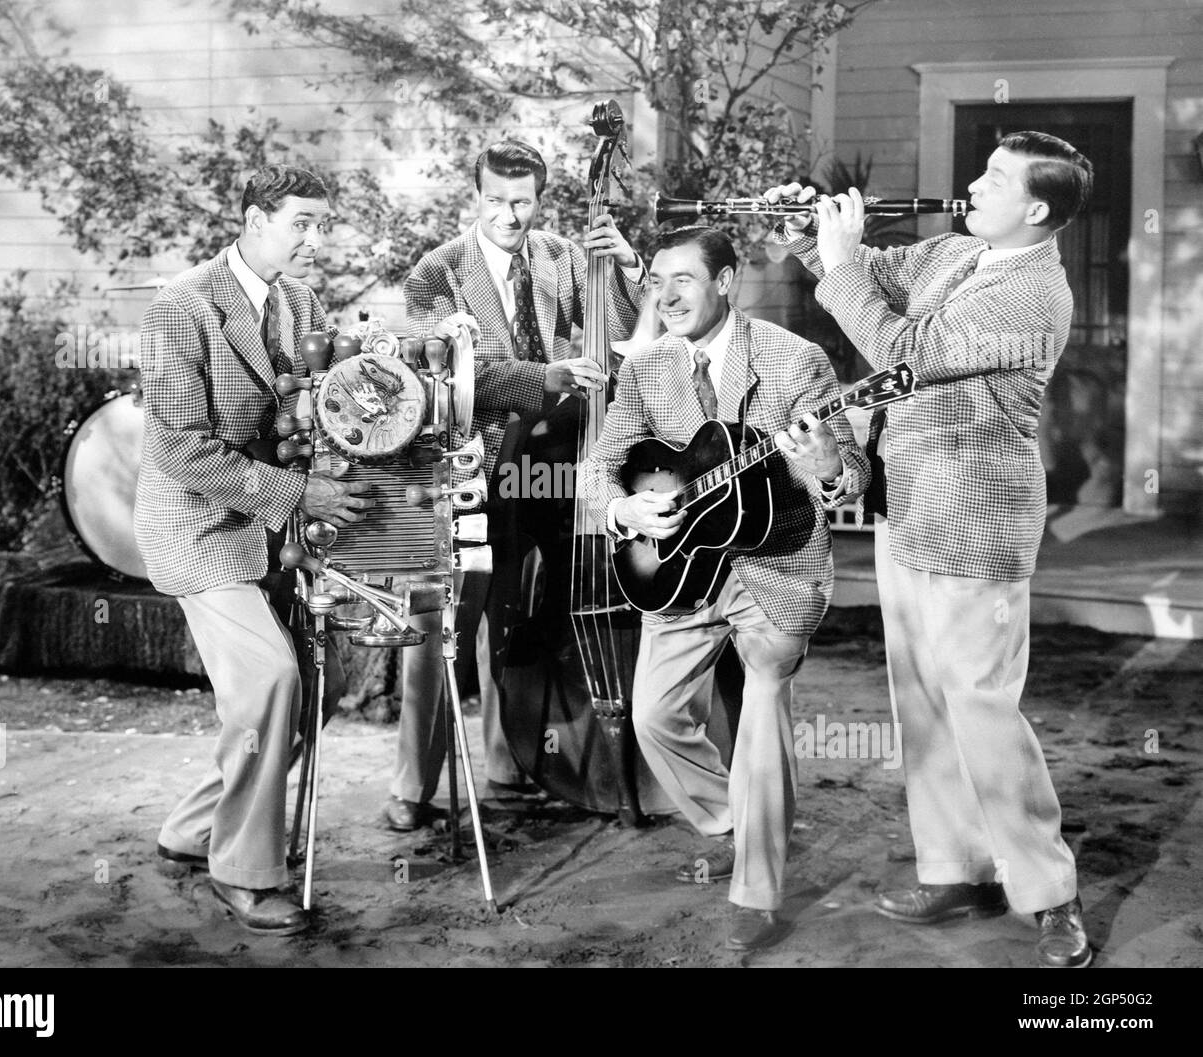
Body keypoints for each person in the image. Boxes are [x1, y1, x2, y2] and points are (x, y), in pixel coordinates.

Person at [766, 129, 1095, 967]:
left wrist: (838, 265)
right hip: (908, 504)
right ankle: (957, 870)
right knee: (920, 702)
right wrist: (811, 235)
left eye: (995, 178)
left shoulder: (1035, 295)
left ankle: (1051, 891)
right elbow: (873, 277)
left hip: (978, 519)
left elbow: (903, 354)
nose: (973, 185)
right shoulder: (960, 251)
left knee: (982, 709)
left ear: (1039, 209)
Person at [579, 225, 869, 951]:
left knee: (764, 707)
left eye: (684, 279)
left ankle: (757, 892)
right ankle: (736, 816)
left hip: (774, 568)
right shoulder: (647, 370)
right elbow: (600, 466)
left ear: (727, 280)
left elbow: (849, 481)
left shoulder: (793, 359)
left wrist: (825, 458)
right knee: (652, 717)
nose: (666, 294)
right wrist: (622, 508)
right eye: (656, 280)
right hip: (679, 568)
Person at [134, 164, 372, 936]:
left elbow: (312, 414)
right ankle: (243, 871)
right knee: (271, 680)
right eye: (300, 222)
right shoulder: (182, 306)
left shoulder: (300, 302)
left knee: (310, 691)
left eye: (322, 223)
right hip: (199, 530)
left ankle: (190, 828)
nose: (316, 239)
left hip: (273, 533)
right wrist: (297, 493)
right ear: (252, 219)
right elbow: (180, 449)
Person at [389, 140, 647, 831]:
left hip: (555, 468)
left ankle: (513, 762)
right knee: (444, 620)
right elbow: (446, 375)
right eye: (497, 201)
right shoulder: (435, 273)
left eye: (523, 200)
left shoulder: (565, 255)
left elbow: (616, 338)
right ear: (475, 197)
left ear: (540, 197)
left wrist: (624, 269)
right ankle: (412, 787)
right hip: (472, 466)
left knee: (518, 621)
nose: (510, 214)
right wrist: (544, 378)